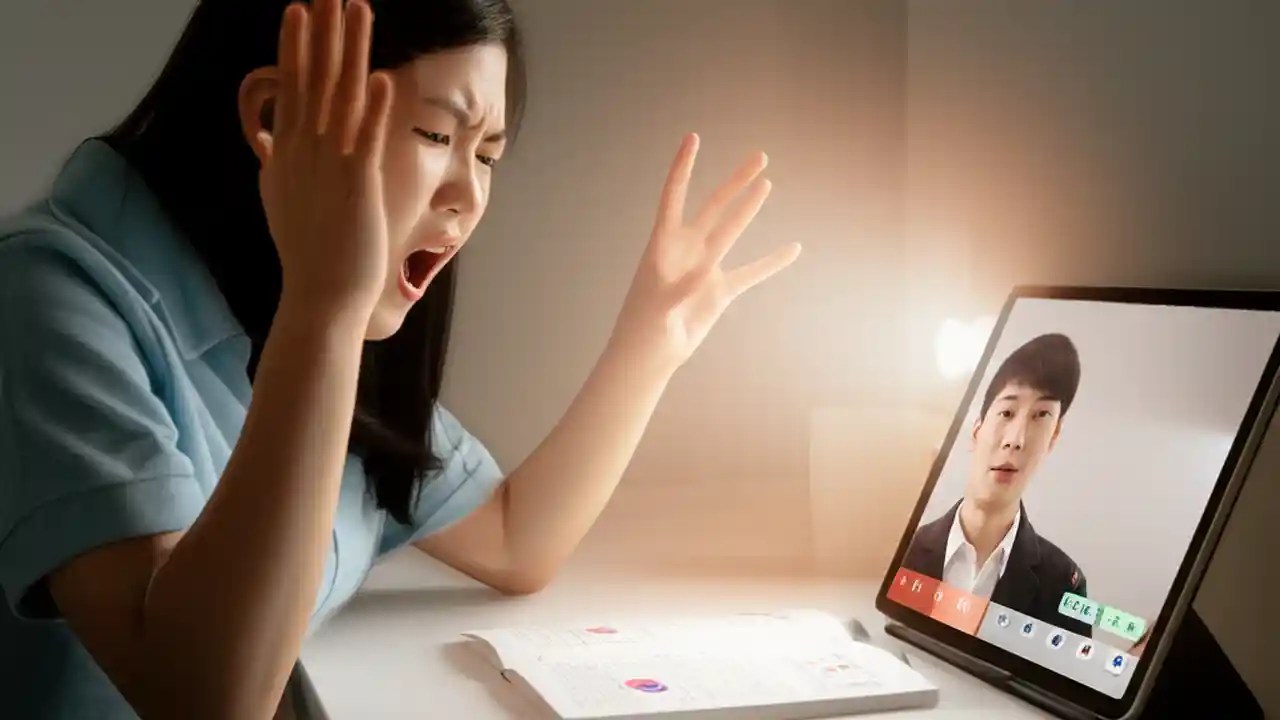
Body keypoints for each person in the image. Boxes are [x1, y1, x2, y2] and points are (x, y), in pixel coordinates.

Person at [0, 1, 802, 717]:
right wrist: (325, 307)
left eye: (486, 154)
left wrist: (653, 339)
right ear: (275, 118)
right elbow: (207, 698)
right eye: (438, 136)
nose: (469, 196)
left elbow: (514, 541)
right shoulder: (48, 299)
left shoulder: (295, 309)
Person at [901, 333, 1092, 638]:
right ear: (977, 430)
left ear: (1054, 437)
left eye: (1041, 415)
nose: (1016, 440)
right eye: (1006, 412)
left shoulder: (1064, 583)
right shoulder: (907, 548)